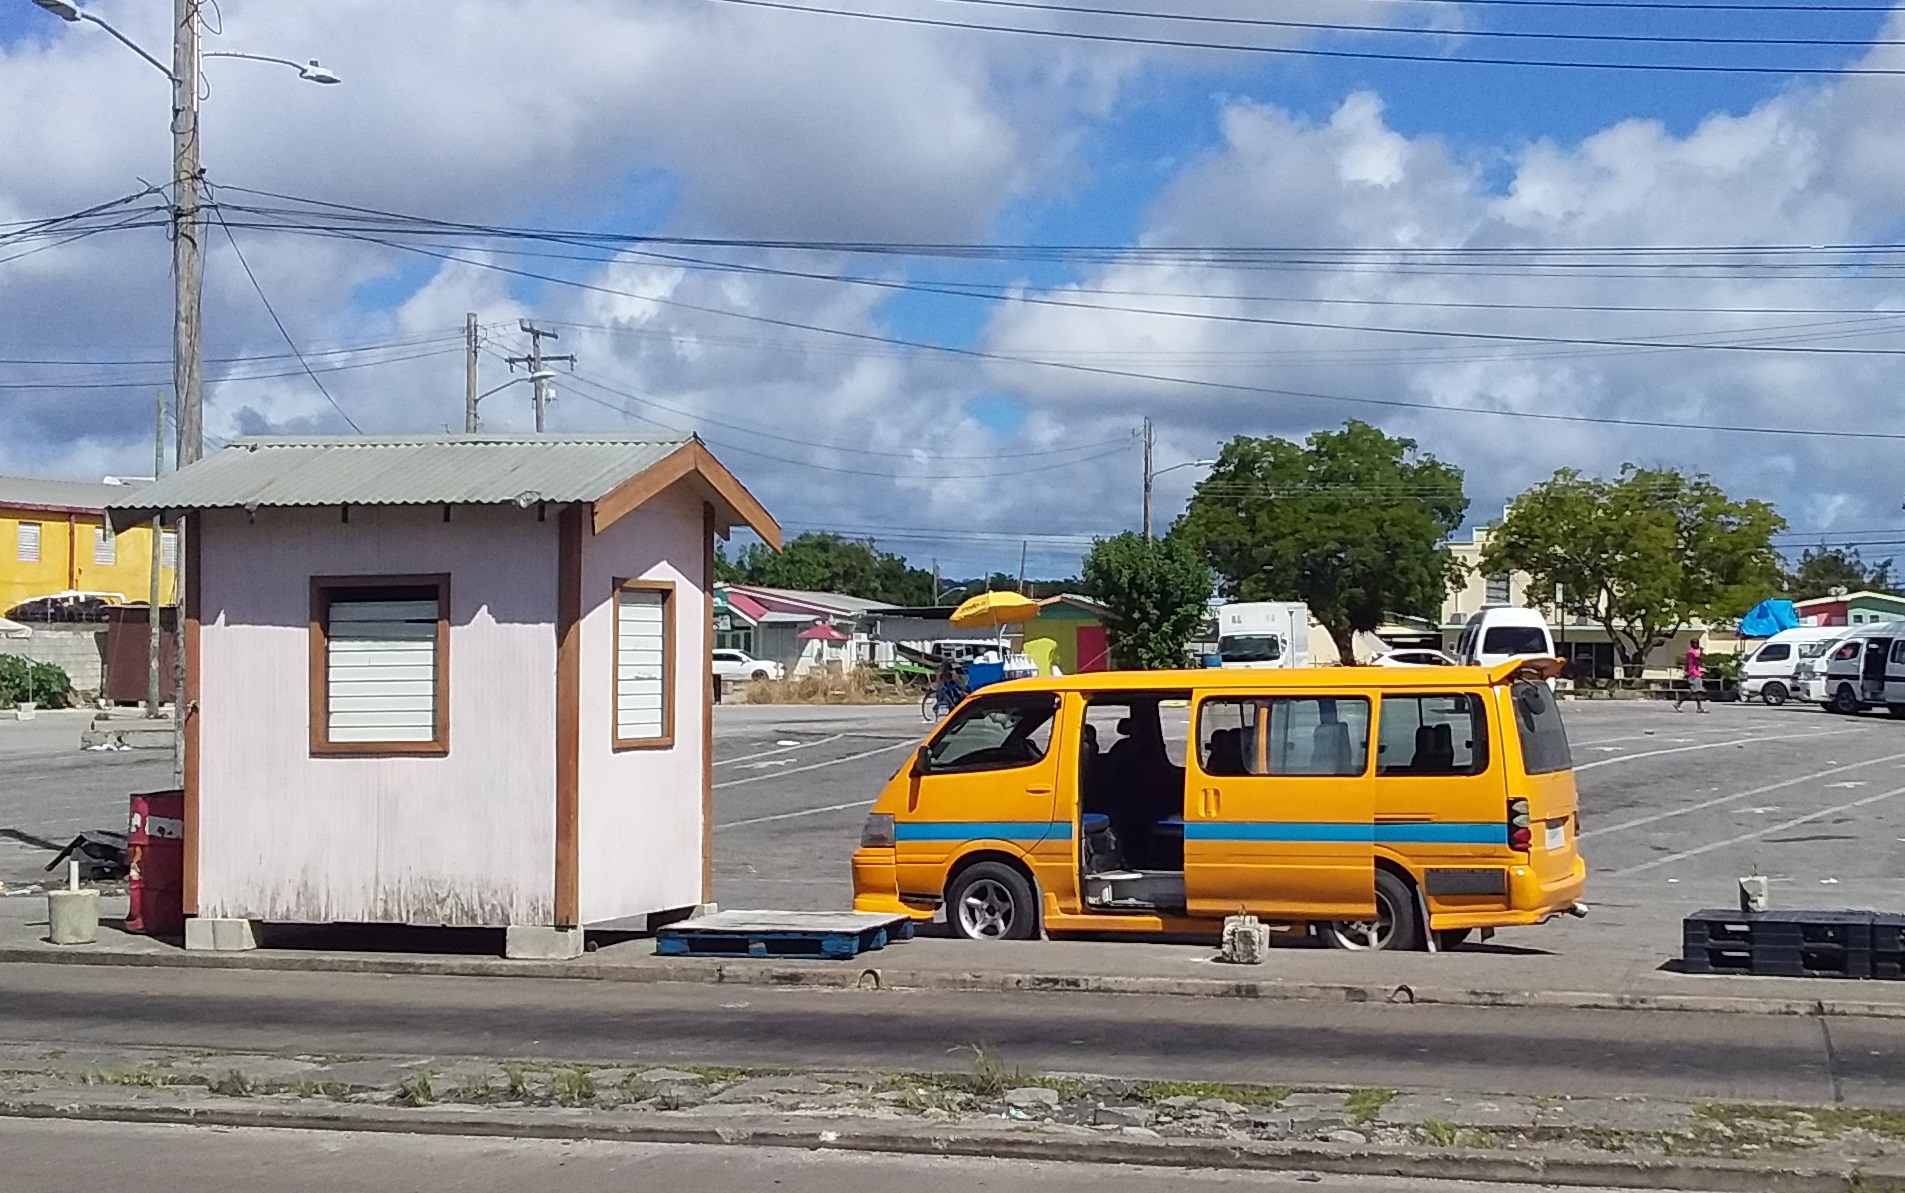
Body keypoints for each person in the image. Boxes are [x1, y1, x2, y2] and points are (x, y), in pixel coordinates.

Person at [1674, 637, 1708, 712]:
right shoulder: (1692, 652)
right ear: (1692, 644)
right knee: (1694, 691)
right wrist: (1701, 654)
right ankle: (1678, 703)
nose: (1696, 644)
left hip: (1695, 672)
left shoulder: (1692, 651)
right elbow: (1697, 661)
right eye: (1695, 643)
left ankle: (1699, 708)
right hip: (1694, 673)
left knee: (1697, 691)